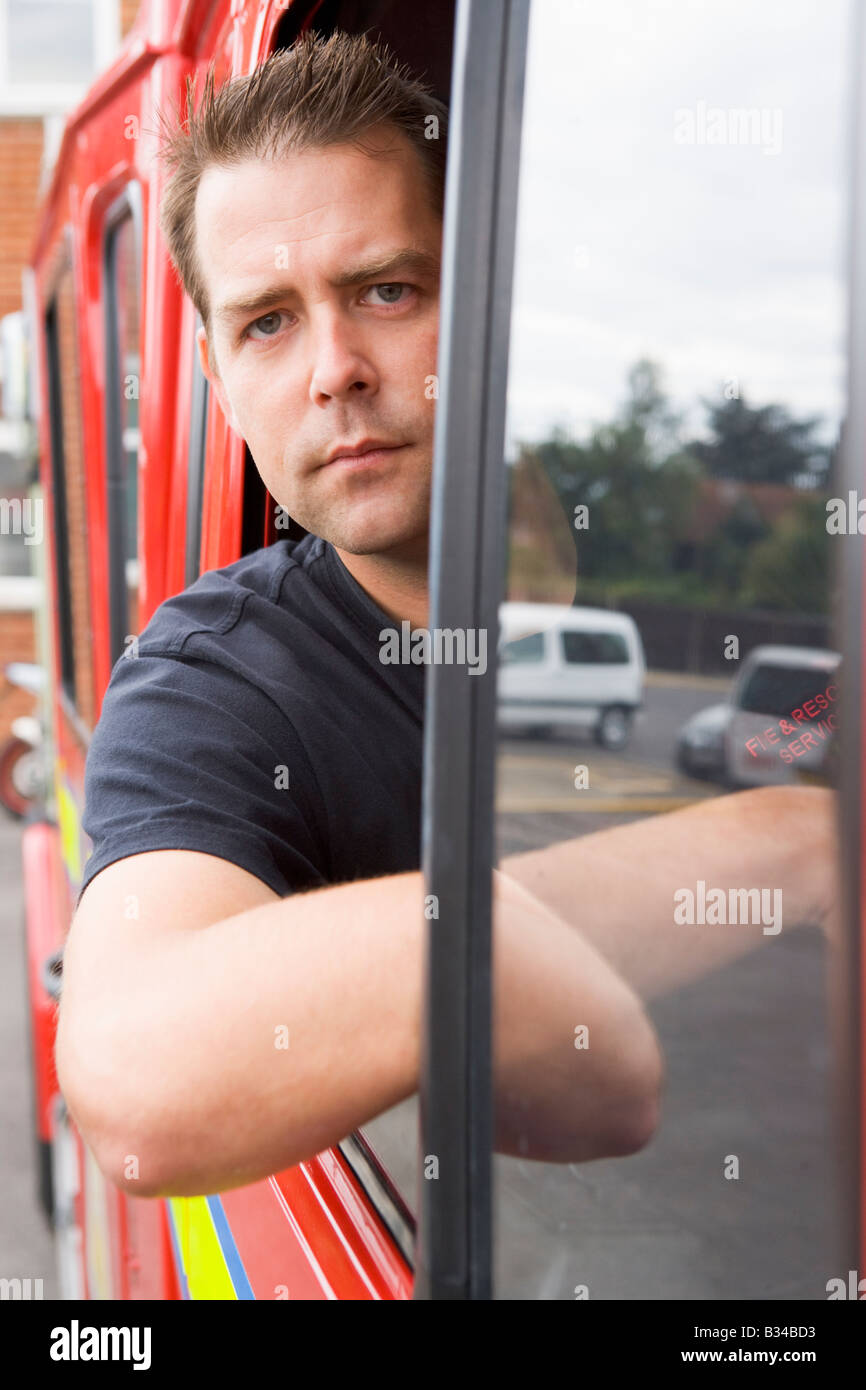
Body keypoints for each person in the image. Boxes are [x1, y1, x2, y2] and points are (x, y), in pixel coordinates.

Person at [55, 32, 837, 1199]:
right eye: (268, 321)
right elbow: (135, 1082)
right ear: (217, 381)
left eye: (385, 289)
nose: (336, 369)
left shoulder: (704, 569)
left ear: (487, 310)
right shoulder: (221, 677)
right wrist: (789, 841)